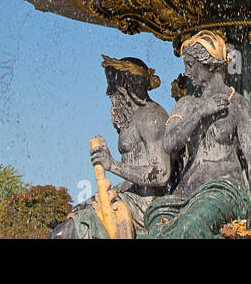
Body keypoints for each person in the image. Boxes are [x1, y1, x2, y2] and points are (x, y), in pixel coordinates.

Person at [140, 30, 251, 238]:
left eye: (191, 65)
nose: (186, 72)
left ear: (209, 64)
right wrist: (199, 112)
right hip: (186, 193)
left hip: (224, 191)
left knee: (189, 226)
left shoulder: (238, 105)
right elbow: (169, 144)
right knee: (156, 220)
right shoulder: (186, 104)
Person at [51, 56, 172, 238]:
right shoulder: (131, 120)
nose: (109, 92)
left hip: (146, 206)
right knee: (74, 214)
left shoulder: (151, 117)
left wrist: (112, 165)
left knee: (62, 235)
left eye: (113, 86)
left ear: (127, 87)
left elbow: (161, 174)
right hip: (128, 196)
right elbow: (132, 178)